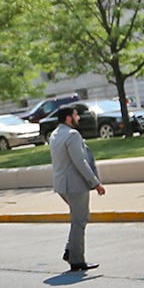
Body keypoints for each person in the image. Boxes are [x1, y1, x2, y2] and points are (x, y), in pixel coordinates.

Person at [47, 102, 105, 273]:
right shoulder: (72, 135)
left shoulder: (55, 134)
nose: (78, 117)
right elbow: (80, 162)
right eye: (76, 115)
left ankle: (70, 251)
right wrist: (95, 183)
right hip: (75, 185)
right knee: (80, 220)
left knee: (77, 218)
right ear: (68, 118)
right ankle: (77, 261)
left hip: (62, 185)